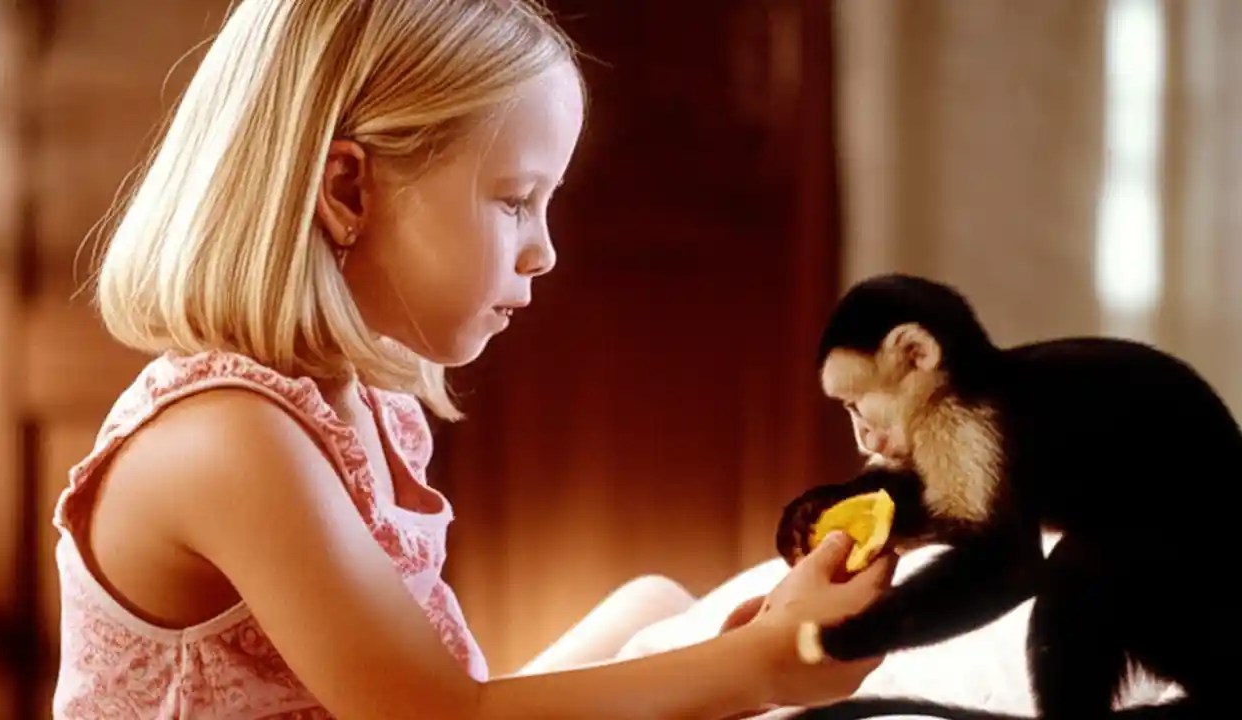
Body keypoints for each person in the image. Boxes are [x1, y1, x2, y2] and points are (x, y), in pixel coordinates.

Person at [49, 1, 896, 717]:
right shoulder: (228, 441)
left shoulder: (361, 410)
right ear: (346, 190)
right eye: (515, 201)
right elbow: (440, 715)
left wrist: (728, 663)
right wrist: (759, 668)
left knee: (655, 606)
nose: (544, 252)